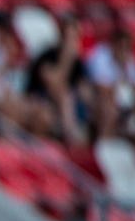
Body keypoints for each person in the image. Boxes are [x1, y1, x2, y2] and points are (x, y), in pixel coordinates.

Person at [24, 15, 89, 143]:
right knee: (65, 97)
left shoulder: (78, 63)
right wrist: (66, 59)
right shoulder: (47, 56)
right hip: (39, 100)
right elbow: (54, 84)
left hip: (68, 107)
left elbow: (85, 92)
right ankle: (70, 141)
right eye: (68, 37)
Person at [86, 29, 135, 140]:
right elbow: (102, 90)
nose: (124, 50)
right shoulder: (100, 55)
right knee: (110, 110)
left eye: (127, 47)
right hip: (97, 100)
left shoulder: (130, 60)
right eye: (121, 46)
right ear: (113, 44)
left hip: (121, 101)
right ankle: (104, 144)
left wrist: (124, 69)